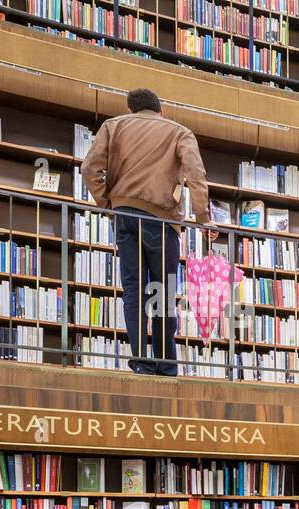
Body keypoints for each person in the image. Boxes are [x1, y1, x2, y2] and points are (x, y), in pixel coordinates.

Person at [81, 88, 211, 376]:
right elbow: (195, 174)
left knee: (133, 290)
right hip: (161, 220)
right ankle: (165, 364)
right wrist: (203, 218)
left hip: (124, 216)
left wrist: (109, 202)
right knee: (163, 292)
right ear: (160, 110)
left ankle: (140, 360)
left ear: (132, 110)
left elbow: (89, 169)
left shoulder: (113, 127)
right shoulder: (179, 132)